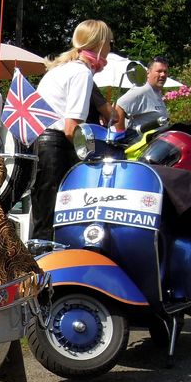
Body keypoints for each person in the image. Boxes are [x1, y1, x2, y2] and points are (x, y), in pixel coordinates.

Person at [32, 19, 113, 240]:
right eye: (110, 43)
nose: (110, 49)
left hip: (40, 143)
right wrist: (93, 155)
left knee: (43, 217)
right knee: (56, 219)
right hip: (57, 147)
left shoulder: (61, 68)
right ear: (101, 43)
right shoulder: (81, 72)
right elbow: (71, 129)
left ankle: (37, 267)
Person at [115, 56, 170, 131]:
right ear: (148, 73)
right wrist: (120, 136)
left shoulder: (156, 92)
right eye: (159, 71)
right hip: (139, 141)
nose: (163, 75)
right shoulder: (142, 89)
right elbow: (118, 107)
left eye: (165, 72)